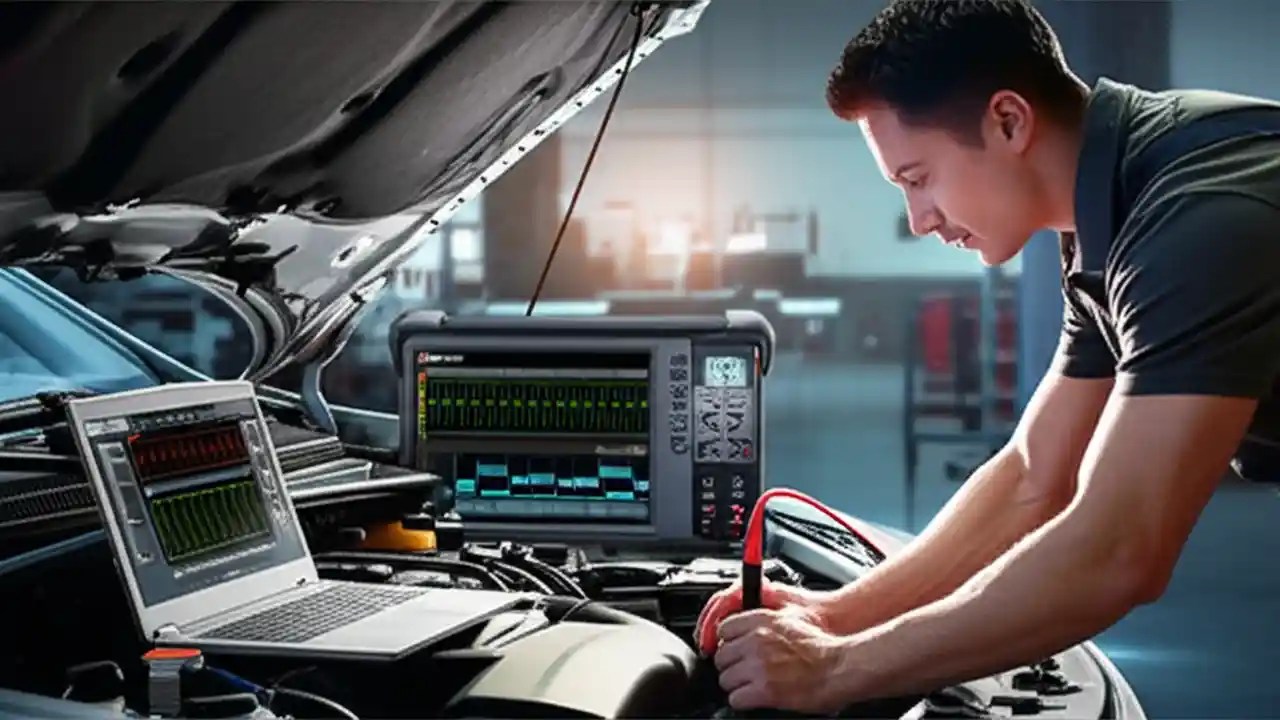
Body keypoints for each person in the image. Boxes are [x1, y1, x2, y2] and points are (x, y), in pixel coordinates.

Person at [695, 0, 1280, 713]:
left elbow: (1120, 548)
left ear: (1008, 121)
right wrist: (835, 616)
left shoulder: (1195, 217)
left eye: (918, 178)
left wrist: (836, 670)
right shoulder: (1115, 206)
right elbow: (1035, 473)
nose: (919, 219)